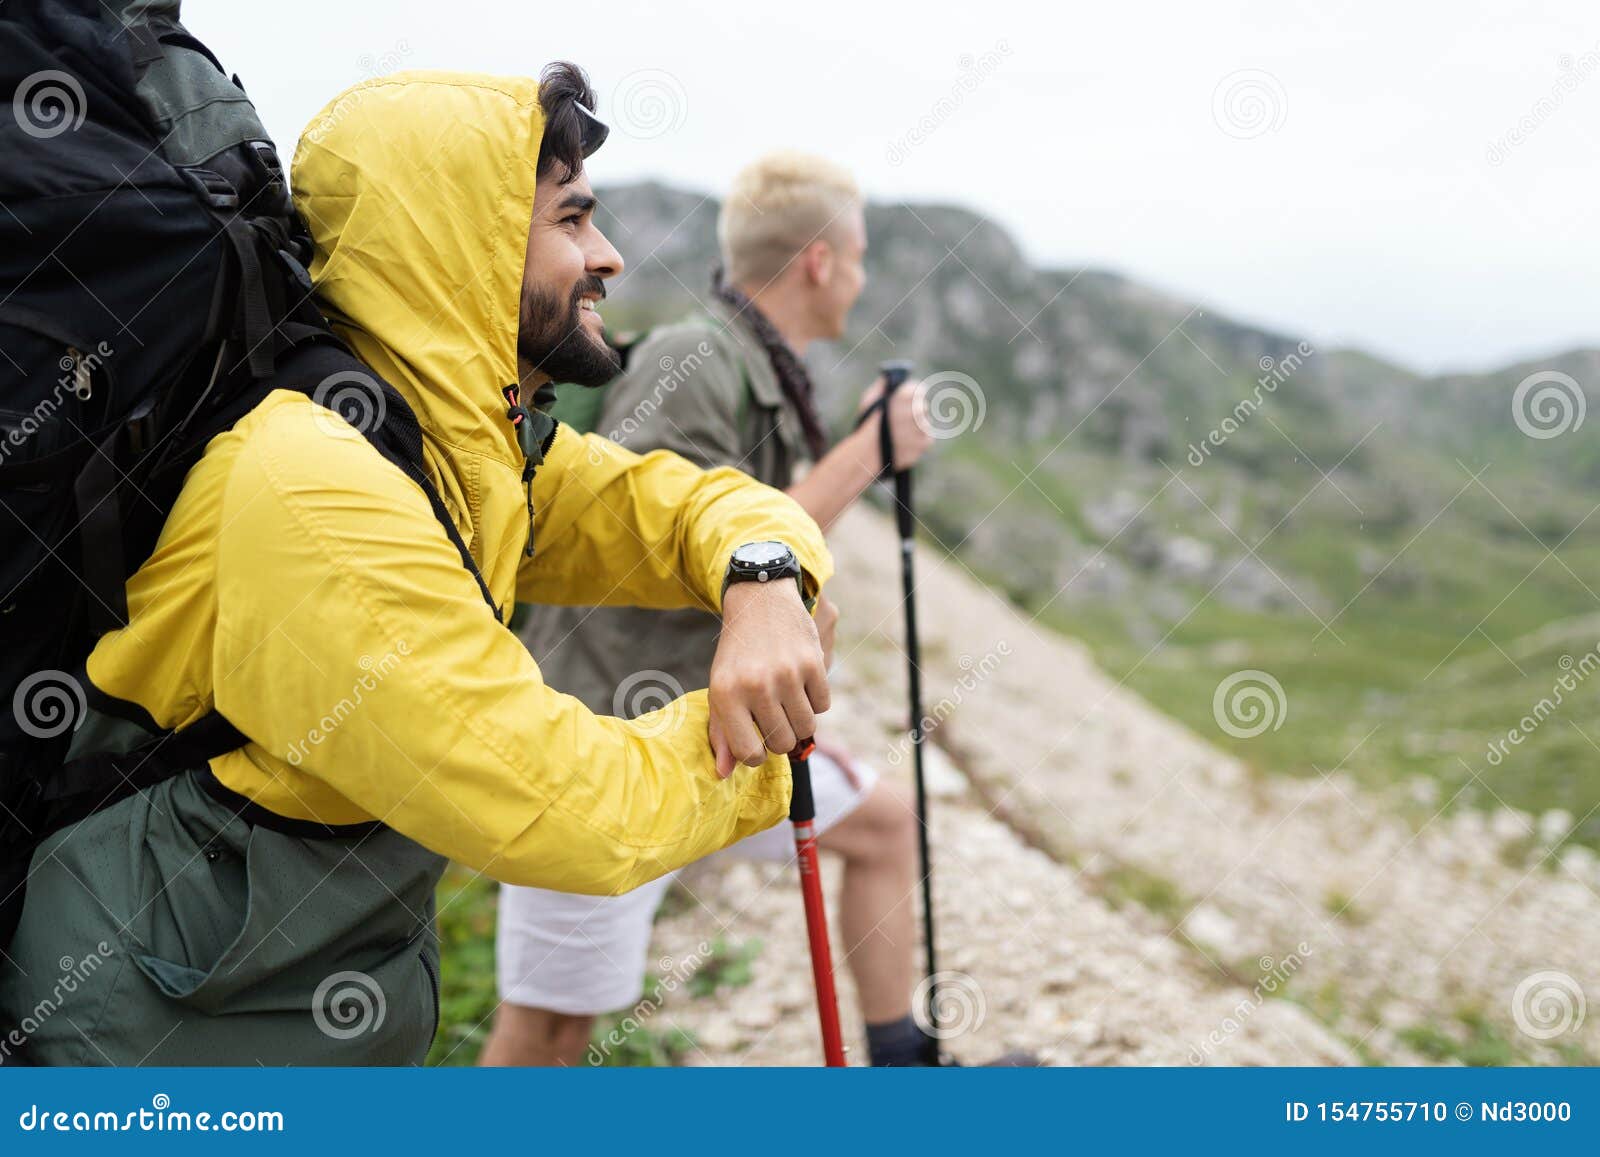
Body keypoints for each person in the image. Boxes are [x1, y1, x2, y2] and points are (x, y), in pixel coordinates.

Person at [0, 69, 833, 1066]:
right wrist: (763, 740)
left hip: (265, 989)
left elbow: (681, 504)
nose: (607, 256)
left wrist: (762, 575)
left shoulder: (457, 444)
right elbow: (563, 807)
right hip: (163, 1035)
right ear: (461, 246)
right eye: (571, 221)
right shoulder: (317, 488)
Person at [484, 152, 957, 1068]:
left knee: (886, 823)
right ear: (820, 262)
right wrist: (869, 453)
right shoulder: (695, 359)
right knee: (549, 1027)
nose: (861, 277)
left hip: (715, 736)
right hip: (607, 734)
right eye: (857, 257)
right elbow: (686, 552)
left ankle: (905, 1070)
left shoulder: (761, 365)